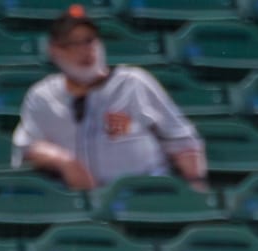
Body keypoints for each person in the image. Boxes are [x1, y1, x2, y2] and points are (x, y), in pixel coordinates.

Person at [12, 5, 206, 191]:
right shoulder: (43, 96)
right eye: (72, 43)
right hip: (82, 205)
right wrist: (64, 161)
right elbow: (25, 149)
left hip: (146, 195)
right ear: (54, 51)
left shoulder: (133, 83)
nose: (85, 50)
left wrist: (196, 186)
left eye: (89, 40)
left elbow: (184, 142)